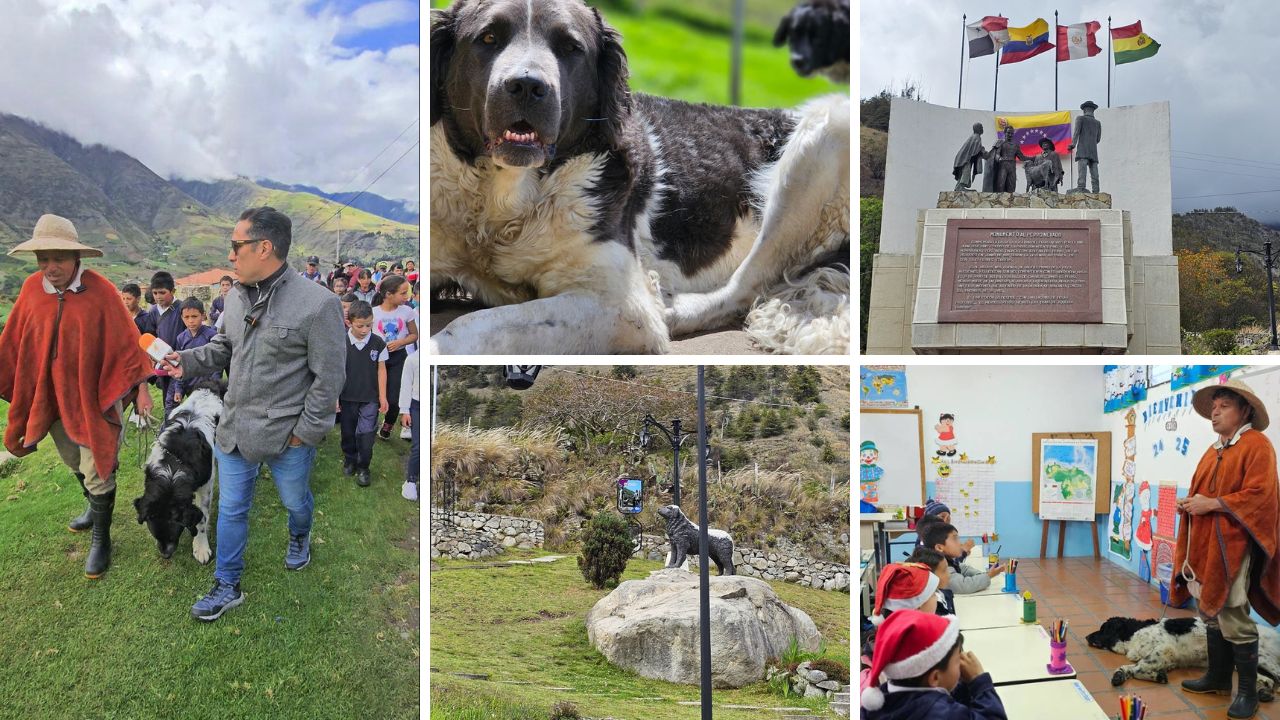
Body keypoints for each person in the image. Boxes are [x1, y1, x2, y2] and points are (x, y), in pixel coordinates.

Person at [163, 206, 345, 622]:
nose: (230, 256)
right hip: (234, 429)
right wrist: (185, 361)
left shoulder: (319, 305)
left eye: (236, 246)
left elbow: (329, 377)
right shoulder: (234, 296)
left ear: (264, 247)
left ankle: (300, 535)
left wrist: (305, 432)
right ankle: (227, 584)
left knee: (295, 501)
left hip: (288, 437)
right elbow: (225, 347)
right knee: (231, 509)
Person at [0, 214, 154, 579]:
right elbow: (15, 340)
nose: (50, 268)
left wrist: (143, 389)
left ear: (75, 258)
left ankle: (102, 539)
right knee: (73, 459)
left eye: (58, 258)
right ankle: (92, 508)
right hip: (52, 395)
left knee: (97, 462)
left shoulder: (101, 292)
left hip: (95, 396)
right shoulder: (31, 290)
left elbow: (128, 346)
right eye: (43, 259)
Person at [1173, 379, 1280, 718]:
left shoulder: (1257, 445)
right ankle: (1218, 678)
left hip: (1234, 546)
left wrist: (1213, 503)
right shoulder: (1214, 449)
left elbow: (1262, 496)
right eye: (1213, 407)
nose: (1215, 412)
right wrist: (1190, 503)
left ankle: (1247, 692)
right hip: (1207, 545)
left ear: (1244, 410)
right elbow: (1203, 493)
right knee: (1211, 608)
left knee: (1232, 611)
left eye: (1224, 406)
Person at [861, 611, 1006, 718]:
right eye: (957, 661)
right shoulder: (943, 713)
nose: (962, 664)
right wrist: (978, 682)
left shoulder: (877, 704)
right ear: (935, 677)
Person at [339, 300, 388, 487]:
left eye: (369, 324)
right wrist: (335, 397)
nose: (365, 329)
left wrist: (382, 397)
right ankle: (350, 459)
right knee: (348, 432)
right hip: (347, 396)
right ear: (349, 323)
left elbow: (381, 370)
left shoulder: (378, 343)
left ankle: (364, 466)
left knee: (366, 435)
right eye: (360, 326)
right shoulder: (341, 342)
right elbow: (336, 371)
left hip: (370, 398)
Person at [372, 275, 418, 441]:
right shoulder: (373, 312)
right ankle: (369, 422)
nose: (407, 297)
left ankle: (388, 425)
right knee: (374, 393)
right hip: (377, 359)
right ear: (389, 294)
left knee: (394, 397)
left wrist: (401, 341)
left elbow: (414, 335)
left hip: (399, 358)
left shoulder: (407, 311)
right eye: (403, 293)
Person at [924, 522, 1001, 594]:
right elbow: (965, 586)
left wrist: (982, 575)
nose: (960, 543)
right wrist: (989, 576)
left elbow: (963, 568)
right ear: (939, 547)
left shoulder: (947, 560)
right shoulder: (939, 567)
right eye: (955, 539)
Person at [147, 270, 183, 420]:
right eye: (155, 293)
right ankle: (171, 421)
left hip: (181, 358)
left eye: (162, 292)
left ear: (172, 291)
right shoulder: (153, 311)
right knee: (167, 394)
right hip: (163, 360)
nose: (158, 297)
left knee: (182, 391)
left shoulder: (181, 308)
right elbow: (151, 335)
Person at [170, 297, 220, 406]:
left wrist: (215, 385)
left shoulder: (211, 336)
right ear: (182, 318)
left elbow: (217, 364)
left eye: (194, 316)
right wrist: (178, 389)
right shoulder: (180, 338)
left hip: (209, 387)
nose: (190, 321)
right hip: (189, 387)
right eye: (186, 317)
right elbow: (179, 365)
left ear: (202, 315)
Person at [398, 347, 420, 501]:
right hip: (416, 405)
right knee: (418, 446)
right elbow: (405, 385)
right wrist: (405, 410)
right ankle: (411, 481)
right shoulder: (412, 359)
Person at [907, 547, 954, 616]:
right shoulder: (931, 608)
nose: (948, 574)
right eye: (944, 571)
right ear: (930, 576)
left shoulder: (945, 593)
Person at [1069, 100, 1102, 193]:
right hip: (1093, 152)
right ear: (1093, 110)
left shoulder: (1080, 119)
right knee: (1094, 173)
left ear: (1084, 110)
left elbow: (1076, 133)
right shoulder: (1097, 123)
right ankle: (1096, 191)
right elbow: (1098, 139)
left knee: (1082, 171)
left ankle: (1081, 187)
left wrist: (1073, 144)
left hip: (1083, 150)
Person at [989, 126, 1026, 193]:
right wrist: (999, 158)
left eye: (1012, 133)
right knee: (1000, 185)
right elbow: (996, 154)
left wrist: (1034, 158)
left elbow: (1022, 157)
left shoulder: (1015, 145)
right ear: (1005, 133)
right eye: (1008, 133)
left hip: (1012, 167)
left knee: (1011, 187)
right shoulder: (1000, 143)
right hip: (1003, 166)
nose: (1010, 135)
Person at [952, 122, 987, 191]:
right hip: (965, 159)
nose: (982, 129)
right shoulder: (976, 136)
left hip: (964, 158)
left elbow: (976, 148)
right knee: (966, 171)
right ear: (978, 129)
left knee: (963, 172)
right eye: (981, 127)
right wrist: (984, 152)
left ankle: (958, 187)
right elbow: (977, 148)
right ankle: (960, 187)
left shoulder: (973, 136)